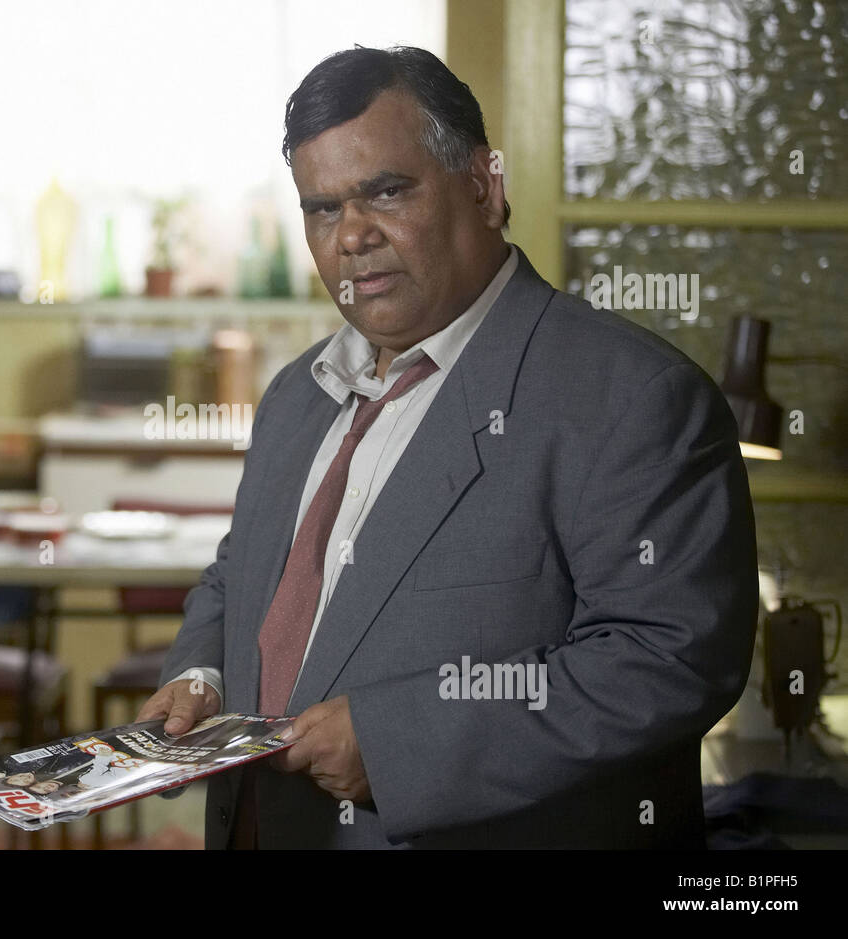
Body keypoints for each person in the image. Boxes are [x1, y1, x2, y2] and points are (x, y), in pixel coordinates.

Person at [139, 46, 758, 849]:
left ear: (484, 186)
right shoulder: (297, 392)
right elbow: (239, 574)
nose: (352, 236)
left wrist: (402, 745)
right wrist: (200, 675)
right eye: (322, 208)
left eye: (386, 192)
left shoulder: (635, 398)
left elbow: (668, 659)